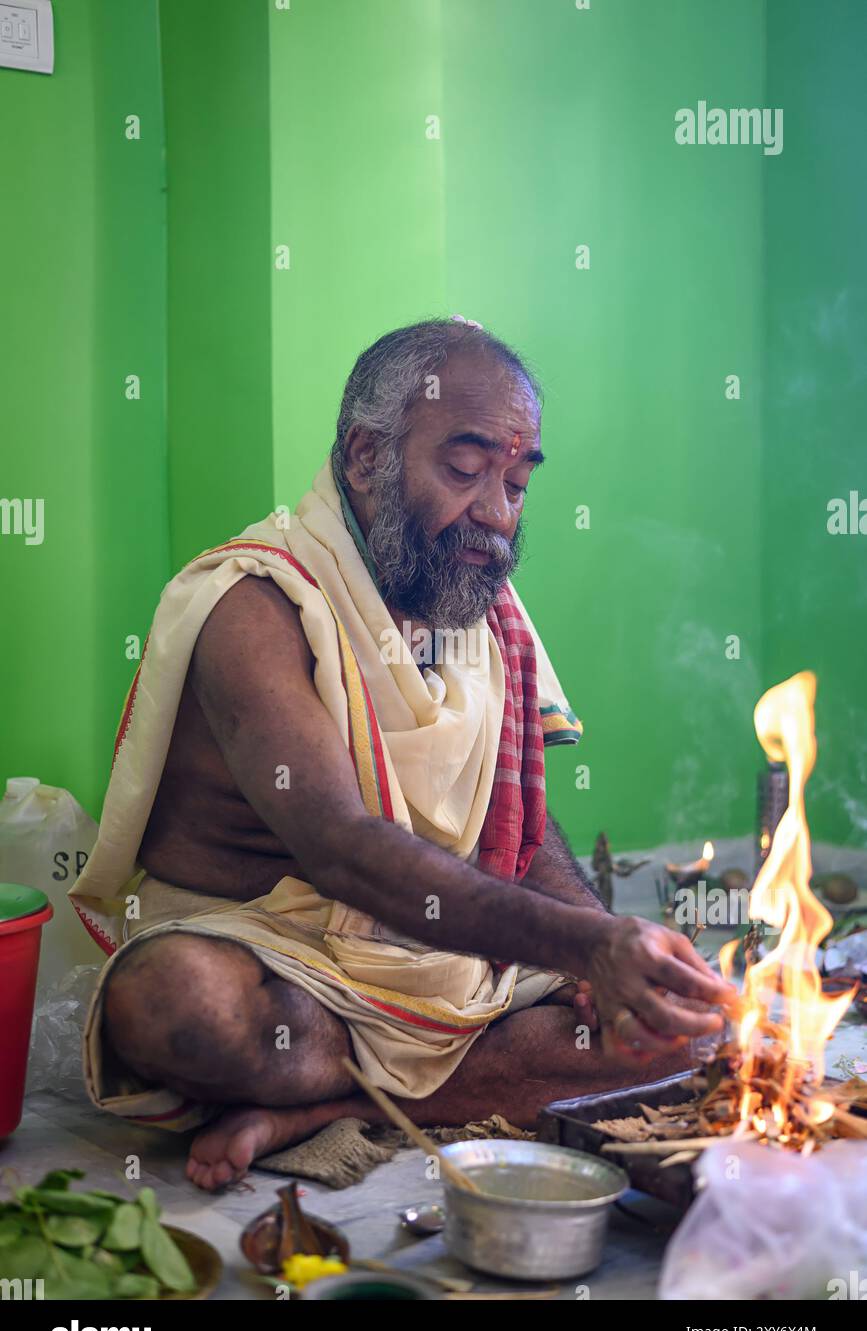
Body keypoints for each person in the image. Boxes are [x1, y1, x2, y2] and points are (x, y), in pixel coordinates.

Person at [71, 318, 735, 1191]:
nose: (496, 513)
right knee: (172, 1008)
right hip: (279, 967)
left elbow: (519, 830)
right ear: (363, 456)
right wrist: (585, 946)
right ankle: (393, 1083)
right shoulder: (257, 605)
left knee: (692, 1028)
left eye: (518, 482)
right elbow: (342, 847)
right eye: (464, 471)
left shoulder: (477, 608)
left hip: (437, 973)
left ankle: (330, 1105)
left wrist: (600, 951)